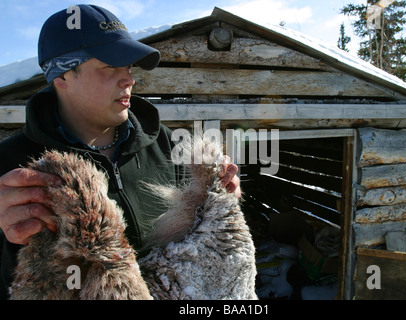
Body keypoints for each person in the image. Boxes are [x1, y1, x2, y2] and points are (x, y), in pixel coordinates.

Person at [0, 4, 241, 299]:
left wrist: (221, 197)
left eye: (128, 67)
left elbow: (204, 242)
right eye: (110, 67)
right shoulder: (12, 169)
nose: (129, 79)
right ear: (62, 77)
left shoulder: (172, 146)